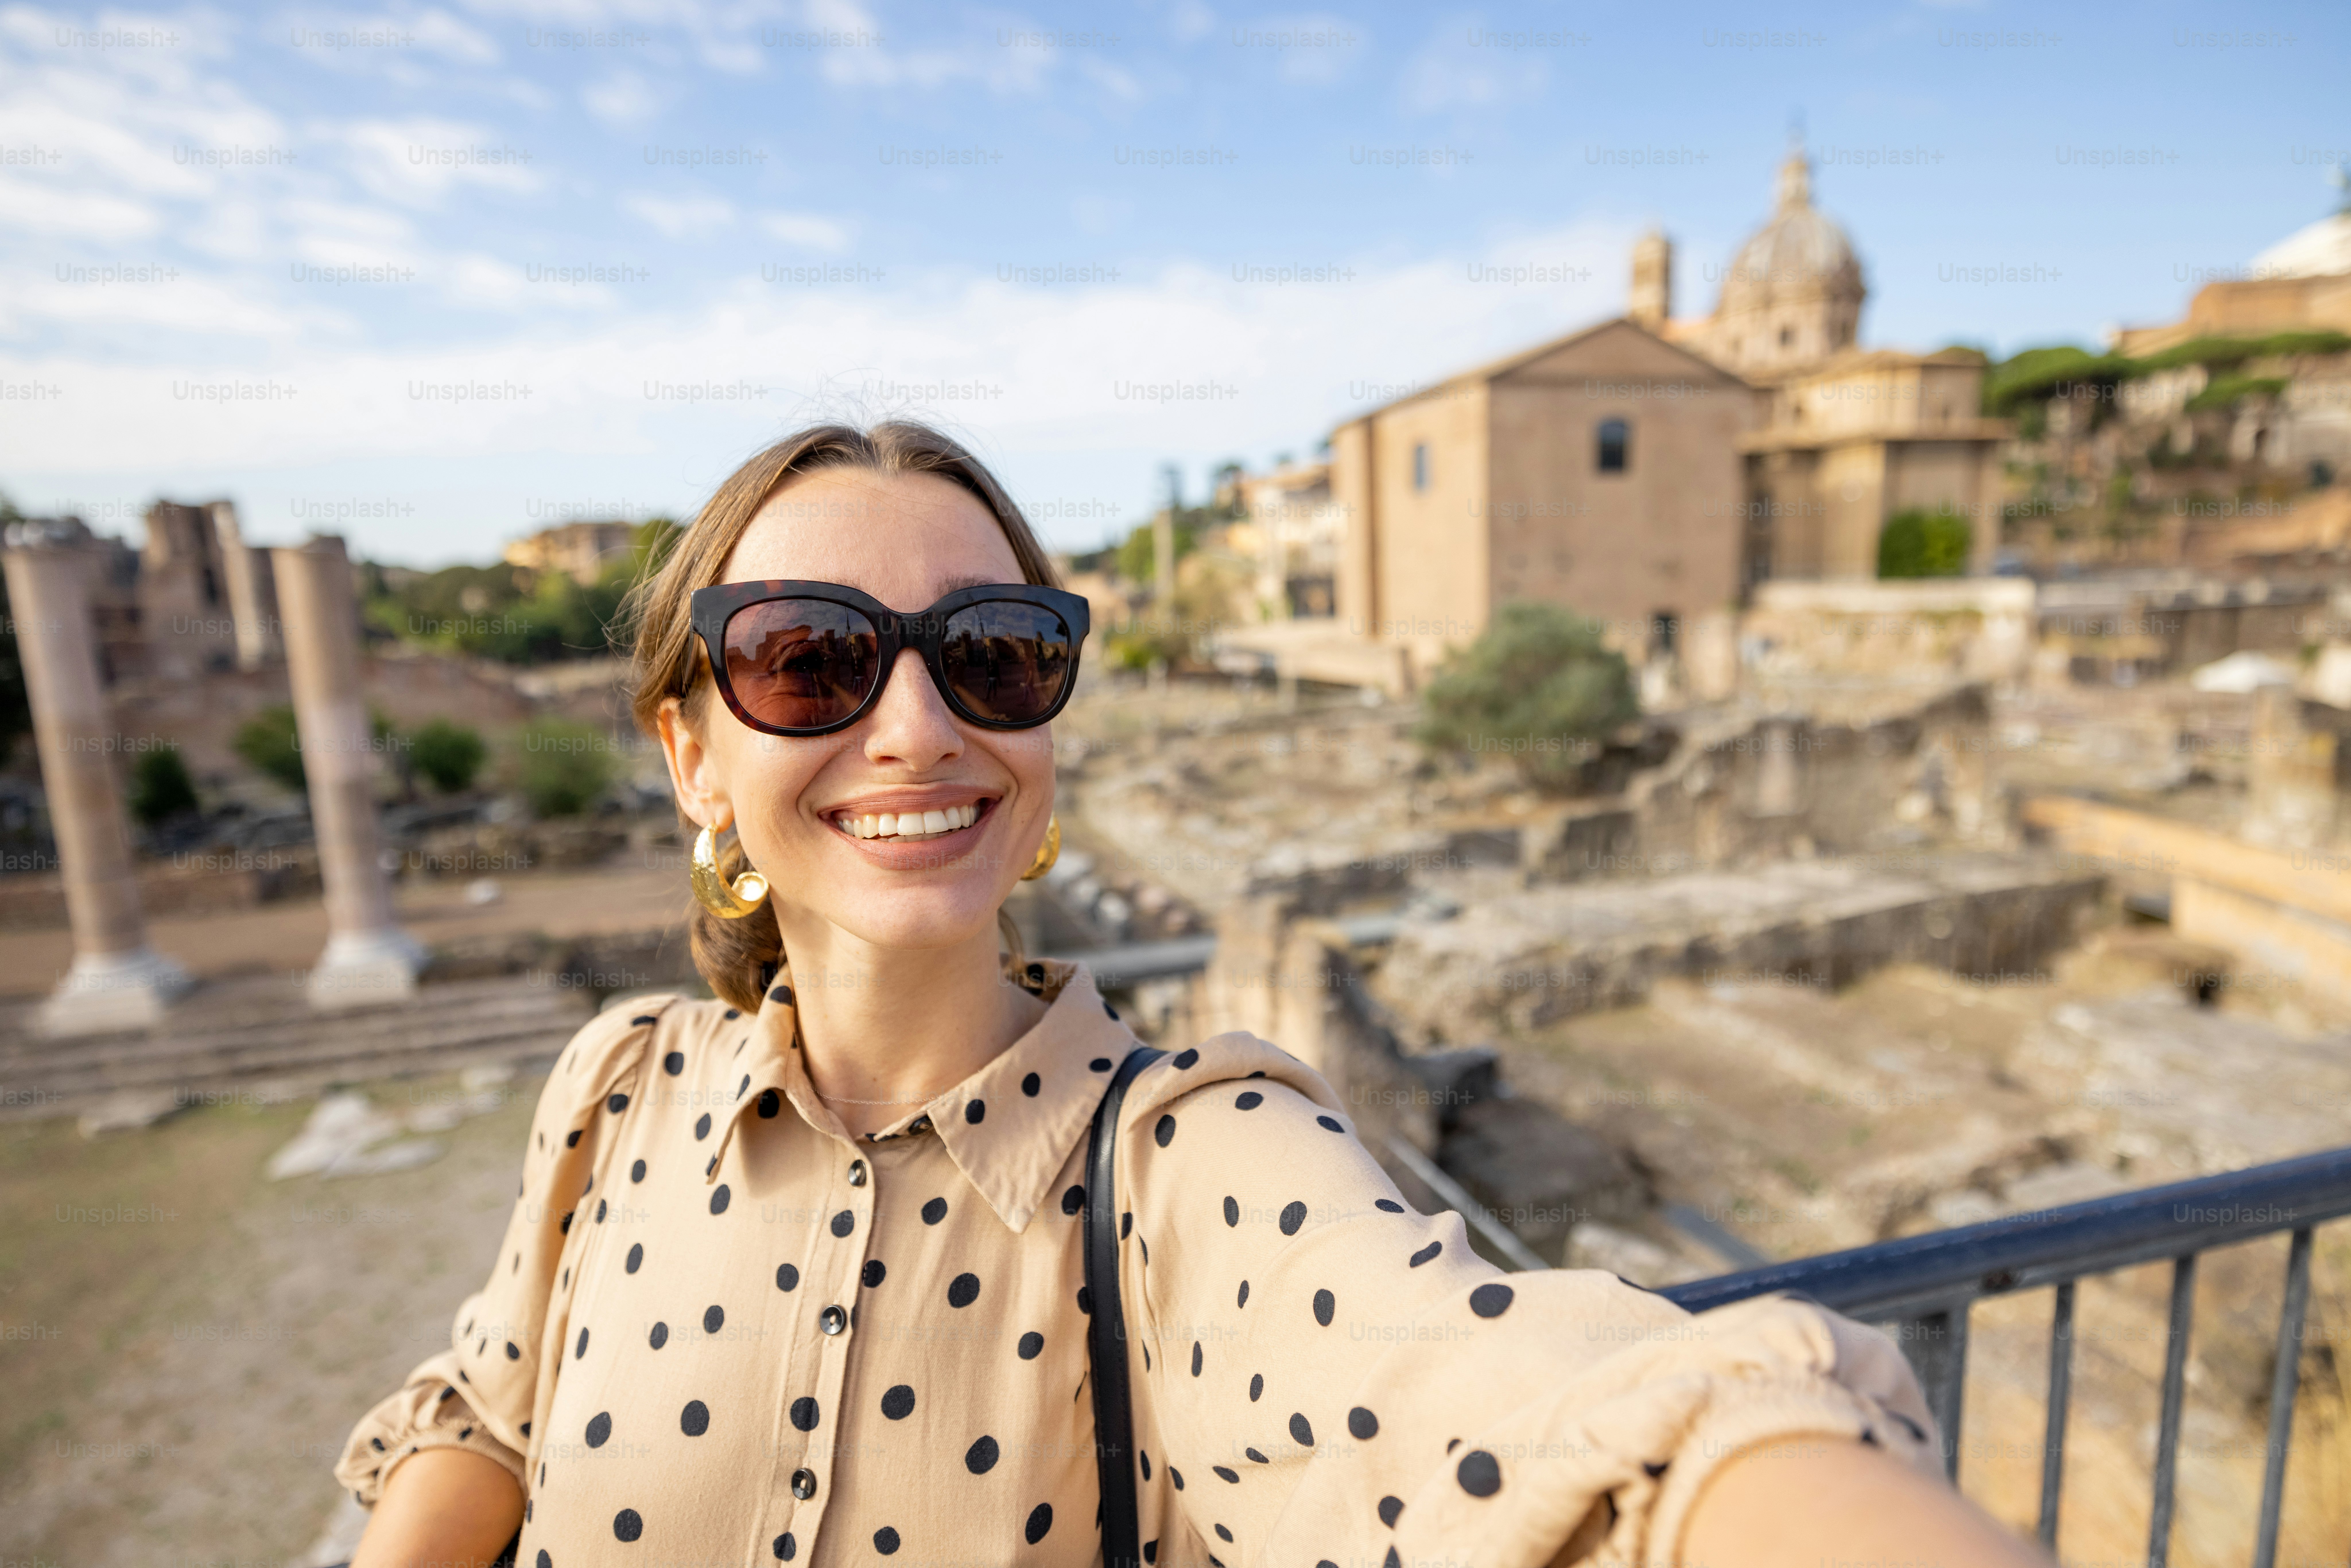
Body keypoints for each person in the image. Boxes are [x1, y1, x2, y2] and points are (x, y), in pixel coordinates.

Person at [338, 422, 2046, 1568]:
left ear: (1045, 722)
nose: (919, 725)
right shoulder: (615, 1089)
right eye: (810, 657)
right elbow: (492, 1406)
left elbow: (1512, 1399)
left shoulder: (1186, 1165)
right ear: (691, 752)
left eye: (994, 650)